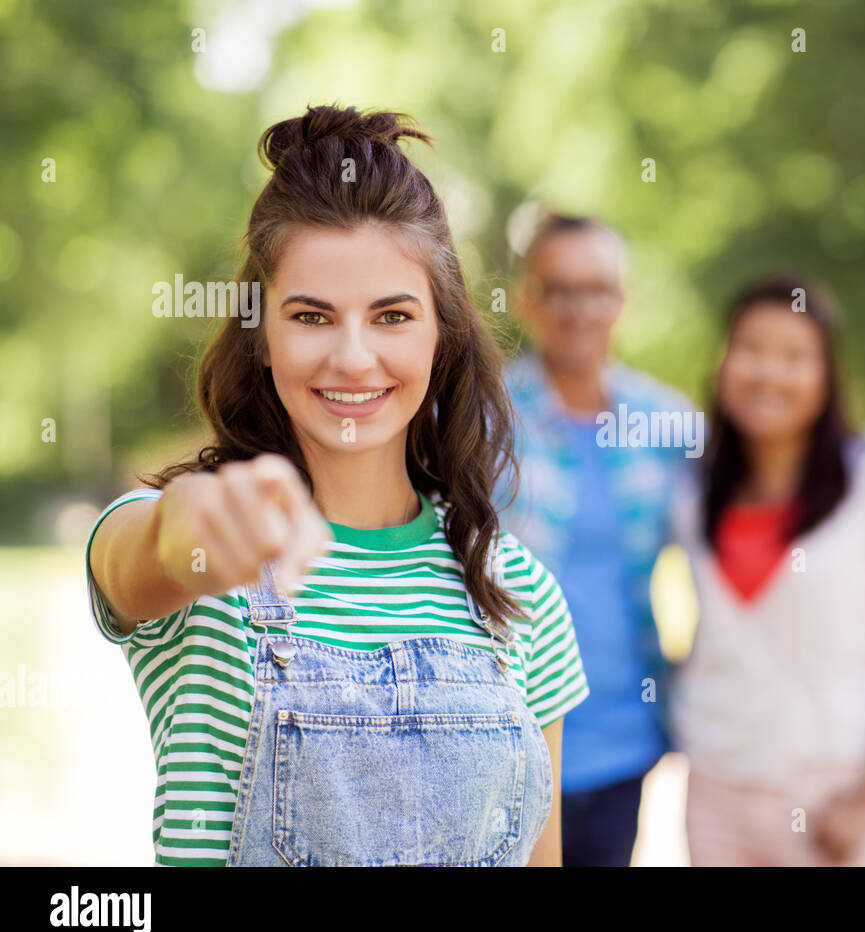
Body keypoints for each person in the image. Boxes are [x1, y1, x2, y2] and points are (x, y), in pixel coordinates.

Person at [84, 106, 588, 867]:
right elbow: (144, 555)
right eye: (312, 316)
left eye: (392, 316)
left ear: (440, 334)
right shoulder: (199, 562)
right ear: (260, 337)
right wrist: (192, 532)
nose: (354, 358)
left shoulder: (520, 594)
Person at [670, 274, 865, 866]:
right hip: (715, 793)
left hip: (836, 798)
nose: (769, 373)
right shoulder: (695, 493)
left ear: (828, 377)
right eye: (751, 350)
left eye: (796, 356)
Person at [501, 212, 697, 866]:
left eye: (596, 290)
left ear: (622, 300)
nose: (577, 309)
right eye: (558, 290)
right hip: (506, 743)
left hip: (623, 744)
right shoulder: (474, 419)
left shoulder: (669, 424)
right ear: (529, 299)